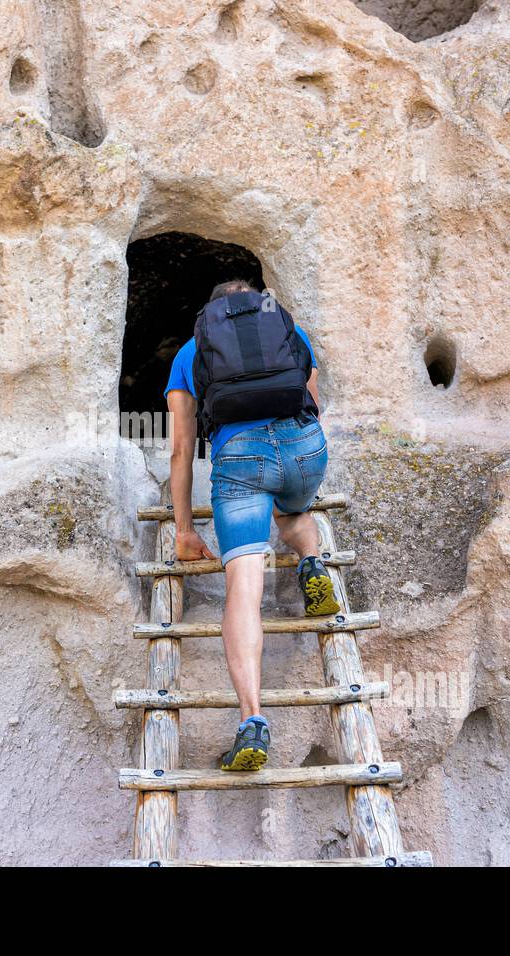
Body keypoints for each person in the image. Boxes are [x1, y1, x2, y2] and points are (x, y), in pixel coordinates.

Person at [164, 278, 341, 772]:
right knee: (295, 513)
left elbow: (181, 451)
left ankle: (252, 722)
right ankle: (312, 562)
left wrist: (184, 530)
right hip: (305, 450)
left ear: (211, 317)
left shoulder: (190, 352)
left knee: (244, 589)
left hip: (241, 460)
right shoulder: (289, 332)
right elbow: (312, 404)